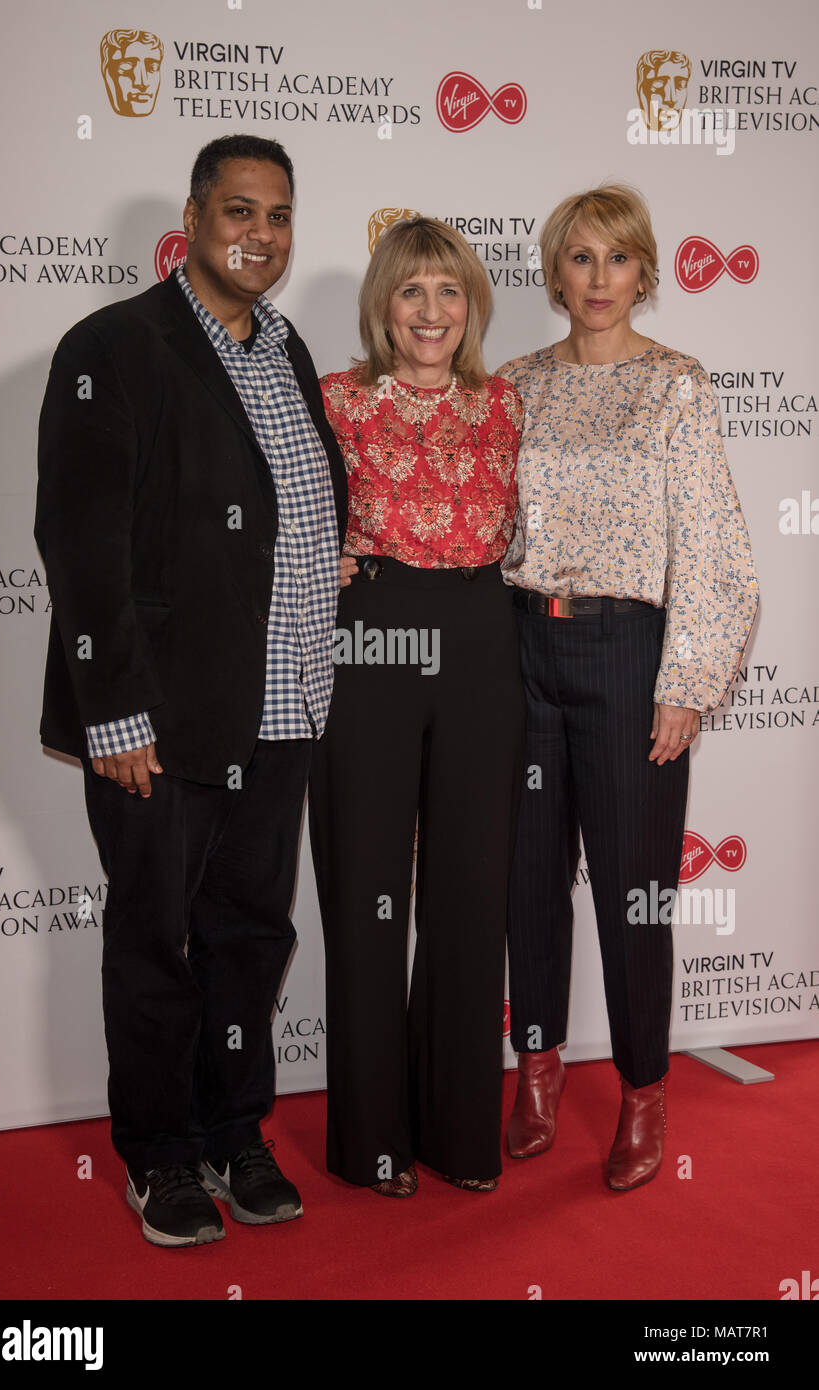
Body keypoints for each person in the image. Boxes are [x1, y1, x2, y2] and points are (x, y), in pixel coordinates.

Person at [35, 134, 347, 1246]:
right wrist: (114, 709)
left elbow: (279, 509)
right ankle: (159, 1152)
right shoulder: (114, 345)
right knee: (158, 940)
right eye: (239, 211)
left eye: (278, 215)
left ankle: (233, 1129)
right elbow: (81, 543)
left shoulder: (287, 349)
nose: (259, 235)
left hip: (282, 706)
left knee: (251, 936)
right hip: (160, 721)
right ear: (193, 215)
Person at [498, 184, 758, 1191]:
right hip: (519, 650)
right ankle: (537, 1072)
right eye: (579, 257)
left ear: (644, 272)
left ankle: (644, 1092)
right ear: (554, 272)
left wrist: (685, 678)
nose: (598, 278)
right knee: (526, 886)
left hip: (628, 654)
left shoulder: (676, 386)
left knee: (633, 893)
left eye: (616, 259)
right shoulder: (515, 383)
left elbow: (714, 546)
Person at [309, 216, 525, 1196]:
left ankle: (459, 1132)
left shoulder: (511, 402)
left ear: (471, 304)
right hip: (372, 636)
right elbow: (270, 511)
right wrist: (321, 562)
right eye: (411, 292)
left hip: (484, 634)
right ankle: (375, 1142)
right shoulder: (337, 399)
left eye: (449, 292)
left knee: (472, 888)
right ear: (382, 306)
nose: (431, 313)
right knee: (366, 886)